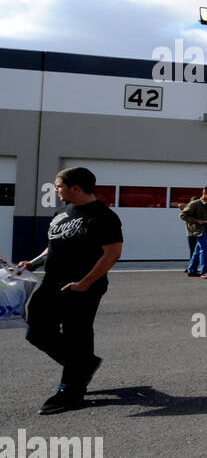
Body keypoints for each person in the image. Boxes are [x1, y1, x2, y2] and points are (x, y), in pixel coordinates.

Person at [19, 167, 123, 415]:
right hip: (51, 284)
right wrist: (32, 263)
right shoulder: (63, 211)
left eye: (58, 186)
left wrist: (85, 283)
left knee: (77, 335)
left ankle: (71, 391)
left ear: (75, 188)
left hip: (82, 288)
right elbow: (54, 243)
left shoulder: (104, 216)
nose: (55, 190)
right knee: (36, 331)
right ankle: (83, 365)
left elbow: (112, 254)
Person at [179, 186, 207, 278]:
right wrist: (197, 220)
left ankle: (191, 270)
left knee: (197, 251)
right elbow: (182, 215)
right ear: (204, 193)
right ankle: (205, 271)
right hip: (199, 231)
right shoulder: (194, 204)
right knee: (205, 249)